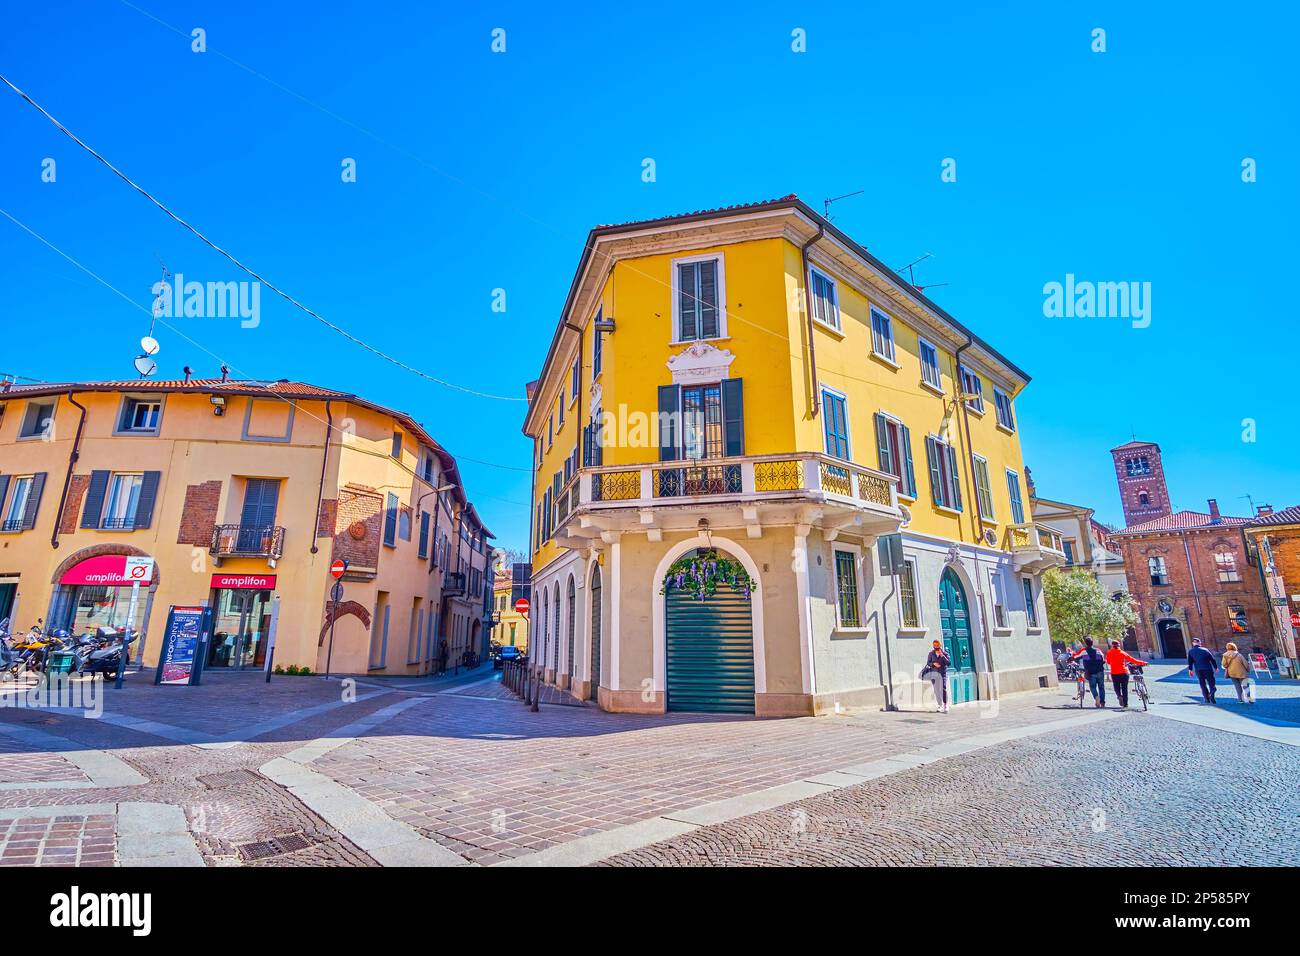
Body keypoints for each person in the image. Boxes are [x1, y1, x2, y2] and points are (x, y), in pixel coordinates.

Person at [1104, 640, 1147, 708]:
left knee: (1116, 687)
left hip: (1114, 673)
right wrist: (1143, 662)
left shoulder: (1109, 653)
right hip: (1124, 672)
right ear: (1119, 645)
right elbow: (1132, 660)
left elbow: (1108, 662)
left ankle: (1119, 696)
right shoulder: (1122, 653)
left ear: (1112, 645)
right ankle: (1125, 703)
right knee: (1125, 688)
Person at [1071, 637, 1108, 707]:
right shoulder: (1098, 651)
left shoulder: (1084, 651)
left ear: (1085, 644)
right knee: (1101, 687)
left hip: (1090, 672)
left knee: (1093, 687)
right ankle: (1102, 702)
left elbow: (1075, 657)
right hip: (1100, 671)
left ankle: (1097, 697)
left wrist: (1070, 659)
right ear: (1092, 643)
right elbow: (1103, 660)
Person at [1187, 637, 1219, 704]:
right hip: (1208, 669)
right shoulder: (1205, 650)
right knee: (1211, 682)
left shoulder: (1191, 651)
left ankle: (1206, 699)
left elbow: (1190, 662)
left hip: (1198, 670)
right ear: (1200, 643)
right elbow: (1212, 659)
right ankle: (1212, 694)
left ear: (1193, 644)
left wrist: (1190, 670)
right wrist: (1216, 667)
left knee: (1202, 684)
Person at [922, 640, 951, 713]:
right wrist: (933, 664)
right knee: (937, 690)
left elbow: (948, 663)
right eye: (935, 647)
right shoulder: (931, 654)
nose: (936, 649)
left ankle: (946, 705)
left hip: (942, 674)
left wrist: (942, 656)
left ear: (940, 646)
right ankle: (940, 705)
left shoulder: (945, 654)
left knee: (943, 688)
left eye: (937, 647)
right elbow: (928, 663)